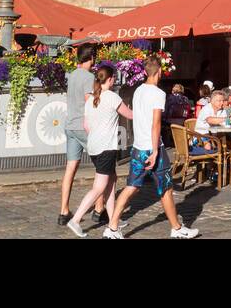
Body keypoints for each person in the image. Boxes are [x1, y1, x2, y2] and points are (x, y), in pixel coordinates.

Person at [104, 56, 198, 239]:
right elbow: (155, 124)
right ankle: (176, 229)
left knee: (132, 186)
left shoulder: (138, 91)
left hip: (138, 146)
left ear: (146, 71)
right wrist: (155, 151)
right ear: (160, 72)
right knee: (166, 187)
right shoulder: (158, 94)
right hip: (153, 147)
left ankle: (112, 227)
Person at [67, 66, 133, 237]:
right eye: (114, 79)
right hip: (106, 148)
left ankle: (113, 221)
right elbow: (130, 115)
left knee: (111, 183)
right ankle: (75, 220)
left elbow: (86, 126)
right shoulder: (112, 97)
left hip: (95, 146)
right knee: (99, 188)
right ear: (110, 79)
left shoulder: (92, 99)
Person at [59, 45, 106, 227]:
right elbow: (89, 102)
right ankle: (99, 209)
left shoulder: (72, 75)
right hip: (82, 127)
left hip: (70, 125)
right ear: (92, 58)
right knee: (102, 166)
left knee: (70, 169)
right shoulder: (88, 77)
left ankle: (63, 210)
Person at [193, 88, 229, 156]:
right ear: (212, 101)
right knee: (208, 146)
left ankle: (223, 161)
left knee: (229, 141)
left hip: (214, 136)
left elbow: (225, 123)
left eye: (223, 100)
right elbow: (210, 120)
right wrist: (226, 119)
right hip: (201, 136)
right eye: (219, 101)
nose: (222, 103)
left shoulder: (222, 110)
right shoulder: (206, 108)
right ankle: (209, 164)